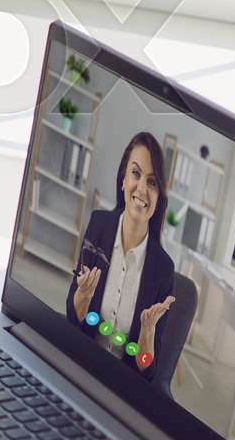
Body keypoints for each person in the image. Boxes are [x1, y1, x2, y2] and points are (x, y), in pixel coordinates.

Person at [65, 131, 178, 382]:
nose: (142, 188)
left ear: (159, 197)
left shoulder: (163, 270)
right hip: (81, 366)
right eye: (136, 174)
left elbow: (147, 369)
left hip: (123, 387)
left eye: (152, 182)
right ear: (123, 181)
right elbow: (72, 319)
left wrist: (147, 333)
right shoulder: (98, 226)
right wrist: (82, 296)